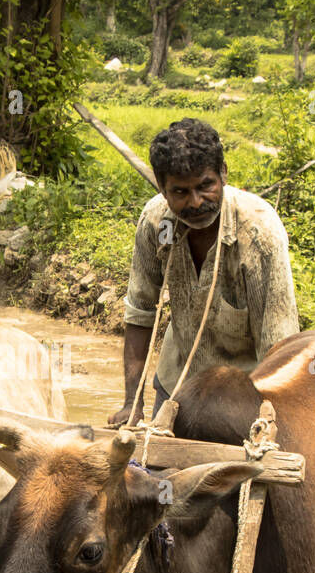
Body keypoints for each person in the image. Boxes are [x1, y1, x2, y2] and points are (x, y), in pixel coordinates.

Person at [108, 118, 301, 427]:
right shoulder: (157, 223)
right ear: (162, 187)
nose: (196, 202)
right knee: (150, 468)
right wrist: (132, 404)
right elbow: (141, 311)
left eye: (205, 186)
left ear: (223, 173)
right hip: (176, 385)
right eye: (180, 192)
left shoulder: (258, 231)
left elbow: (278, 343)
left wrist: (273, 420)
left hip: (243, 396)